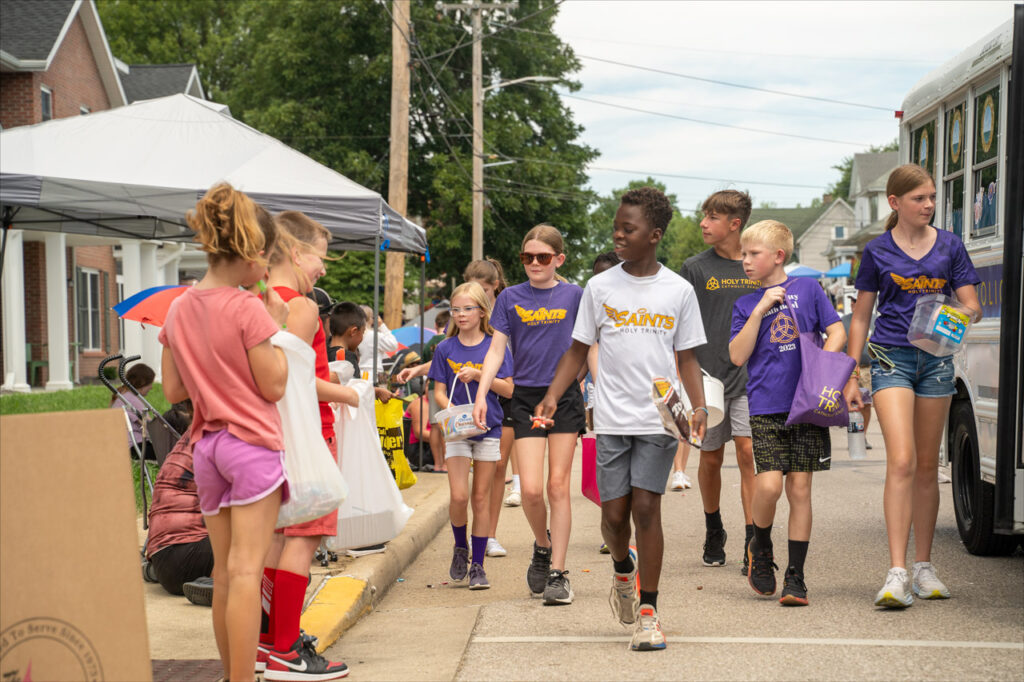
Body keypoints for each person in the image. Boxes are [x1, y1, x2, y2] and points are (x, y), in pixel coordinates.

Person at [536, 187, 708, 650]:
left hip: (659, 419)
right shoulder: (600, 287)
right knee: (614, 517)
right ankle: (622, 571)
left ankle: (649, 612)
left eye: (627, 229)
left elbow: (687, 357)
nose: (617, 235)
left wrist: (699, 406)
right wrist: (554, 395)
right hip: (610, 418)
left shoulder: (678, 290)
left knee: (647, 508)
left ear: (653, 235)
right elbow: (577, 349)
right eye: (616, 226)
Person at [159, 184, 290, 682]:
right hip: (252, 446)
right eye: (269, 255)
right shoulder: (248, 309)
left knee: (222, 572)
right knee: (246, 572)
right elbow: (273, 385)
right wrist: (274, 328)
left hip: (206, 448)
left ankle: (229, 674)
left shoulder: (178, 308)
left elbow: (172, 388)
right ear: (254, 250)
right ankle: (243, 679)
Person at [843, 164, 982, 609]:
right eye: (919, 198)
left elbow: (972, 304)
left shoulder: (950, 246)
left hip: (937, 361)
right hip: (890, 359)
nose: (928, 205)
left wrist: (958, 314)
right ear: (895, 203)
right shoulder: (877, 251)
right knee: (900, 460)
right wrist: (850, 372)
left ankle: (924, 567)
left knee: (926, 465)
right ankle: (896, 573)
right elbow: (861, 316)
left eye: (931, 198)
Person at [259, 211, 357, 681]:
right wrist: (347, 392)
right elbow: (293, 380)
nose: (324, 268)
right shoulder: (299, 307)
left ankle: (267, 642)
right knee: (303, 537)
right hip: (307, 435)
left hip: (270, 437)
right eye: (321, 256)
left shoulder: (258, 300)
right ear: (296, 252)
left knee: (275, 540)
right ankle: (285, 649)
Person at [728, 220, 846, 607]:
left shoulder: (809, 289)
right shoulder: (745, 303)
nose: (745, 261)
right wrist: (760, 310)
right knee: (768, 486)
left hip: (807, 405)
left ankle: (796, 576)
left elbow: (837, 331)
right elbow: (737, 355)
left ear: (778, 256)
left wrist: (823, 369)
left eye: (753, 254)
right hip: (766, 406)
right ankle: (759, 547)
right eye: (743, 254)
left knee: (799, 489)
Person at [473, 224, 585, 605]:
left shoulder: (575, 296)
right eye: (528, 257)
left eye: (543, 257)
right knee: (532, 490)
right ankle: (542, 544)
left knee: (557, 486)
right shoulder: (509, 299)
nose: (535, 263)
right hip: (524, 397)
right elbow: (495, 351)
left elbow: (589, 348)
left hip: (564, 396)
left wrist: (600, 392)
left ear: (559, 259)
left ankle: (558, 571)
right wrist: (482, 394)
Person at [680, 190, 761, 573]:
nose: (703, 223)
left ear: (735, 224)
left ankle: (752, 538)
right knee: (710, 458)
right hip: (707, 379)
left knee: (748, 454)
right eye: (704, 215)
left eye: (712, 217)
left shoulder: (754, 264)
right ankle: (714, 528)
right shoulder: (695, 268)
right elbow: (681, 327)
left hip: (750, 376)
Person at [428, 282, 514, 590]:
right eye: (456, 309)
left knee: (481, 497)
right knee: (459, 496)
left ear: (481, 312)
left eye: (467, 309)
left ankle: (478, 565)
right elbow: (437, 391)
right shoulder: (445, 348)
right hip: (457, 431)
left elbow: (508, 388)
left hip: (489, 427)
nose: (461, 315)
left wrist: (479, 375)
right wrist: (455, 411)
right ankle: (459, 546)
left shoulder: (495, 345)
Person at [462, 258, 517, 556]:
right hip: (470, 397)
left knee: (498, 465)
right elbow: (448, 349)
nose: (476, 295)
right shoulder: (462, 311)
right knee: (474, 470)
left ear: (494, 286)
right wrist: (421, 370)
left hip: (504, 393)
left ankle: (490, 534)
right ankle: (475, 532)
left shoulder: (508, 308)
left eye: (482, 289)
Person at [146, 433, 215, 603]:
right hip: (188, 555)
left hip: (161, 557)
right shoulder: (228, 436)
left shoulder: (195, 433)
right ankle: (219, 581)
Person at [840, 294, 875, 448]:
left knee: (866, 404)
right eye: (852, 302)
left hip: (868, 369)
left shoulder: (875, 320)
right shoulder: (844, 322)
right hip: (850, 370)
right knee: (852, 405)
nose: (854, 304)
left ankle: (863, 436)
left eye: (857, 301)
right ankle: (854, 436)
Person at [109, 363, 157, 460]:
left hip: (122, 446)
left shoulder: (123, 395)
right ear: (143, 382)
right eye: (150, 383)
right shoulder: (132, 399)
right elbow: (150, 426)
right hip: (134, 447)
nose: (151, 387)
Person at [357, 305, 399, 379]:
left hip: (359, 373)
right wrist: (382, 325)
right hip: (374, 373)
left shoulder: (353, 335)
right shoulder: (375, 336)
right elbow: (393, 345)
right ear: (370, 319)